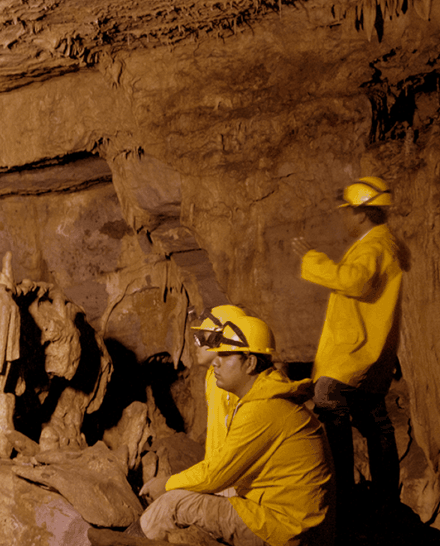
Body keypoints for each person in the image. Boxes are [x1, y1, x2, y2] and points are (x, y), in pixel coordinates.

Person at [139, 306, 335, 546]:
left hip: (285, 527)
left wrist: (166, 484)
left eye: (225, 356)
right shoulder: (263, 399)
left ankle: (124, 542)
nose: (216, 364)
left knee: (172, 504)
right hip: (284, 516)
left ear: (250, 362)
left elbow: (215, 475)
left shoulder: (263, 409)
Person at [290, 176, 404, 509]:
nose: (343, 218)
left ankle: (342, 492)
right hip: (369, 350)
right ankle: (384, 496)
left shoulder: (374, 246)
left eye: (346, 211)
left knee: (328, 399)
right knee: (374, 419)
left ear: (361, 213)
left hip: (355, 352)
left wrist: (313, 259)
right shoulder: (383, 243)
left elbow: (354, 281)